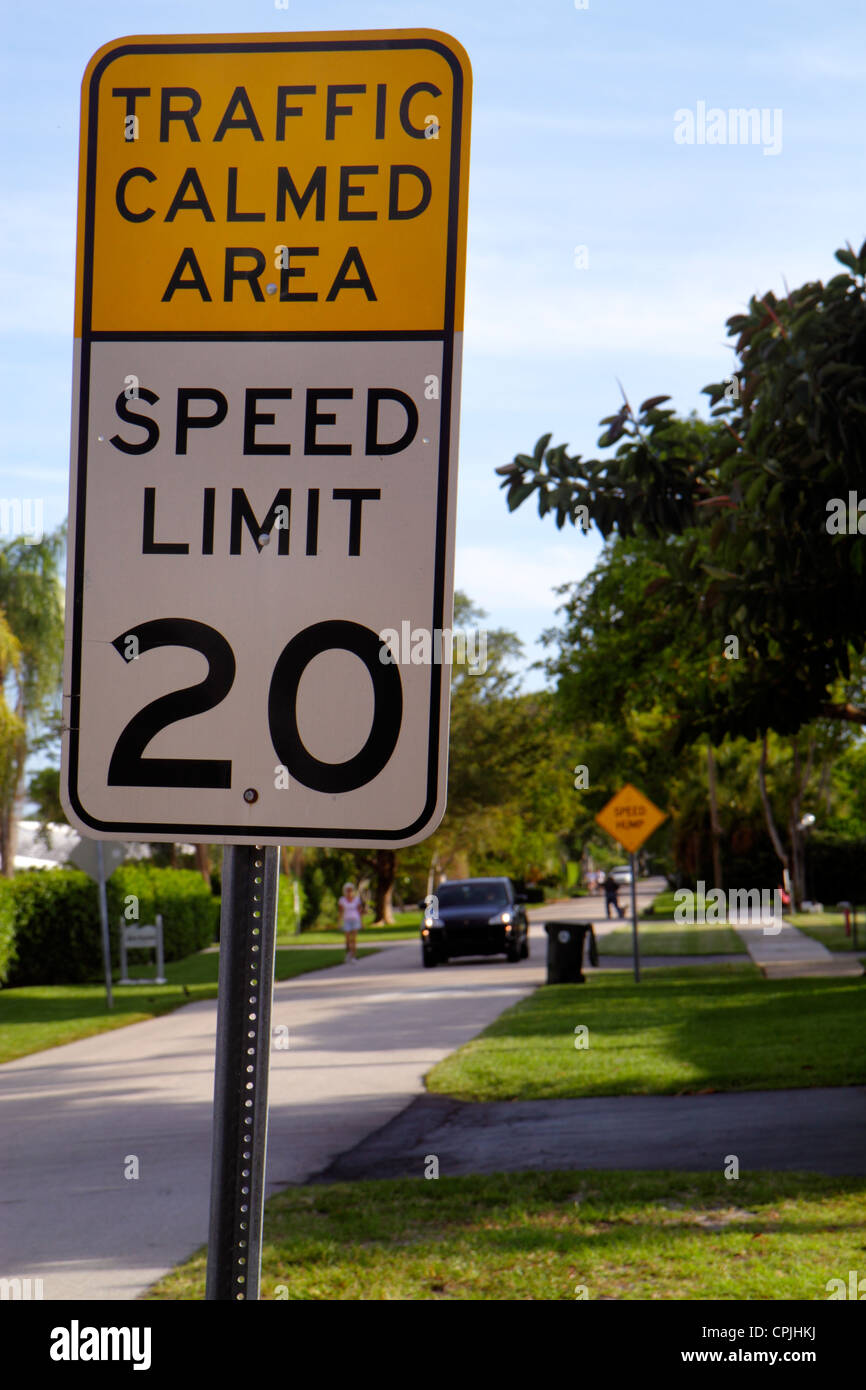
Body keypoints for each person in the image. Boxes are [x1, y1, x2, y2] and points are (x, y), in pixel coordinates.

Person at [338, 882, 363, 962]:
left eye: (350, 890)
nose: (349, 892)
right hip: (346, 921)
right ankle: (348, 953)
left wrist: (361, 922)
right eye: (348, 890)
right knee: (348, 939)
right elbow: (340, 912)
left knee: (354, 939)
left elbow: (359, 911)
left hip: (355, 920)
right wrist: (339, 922)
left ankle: (353, 956)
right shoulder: (342, 900)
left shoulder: (357, 900)